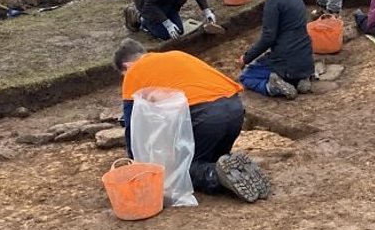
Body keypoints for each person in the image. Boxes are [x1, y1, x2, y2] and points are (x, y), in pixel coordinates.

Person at [114, 39, 271, 202]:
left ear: (126, 66)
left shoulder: (133, 73)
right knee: (213, 158)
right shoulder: (176, 55)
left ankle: (214, 175)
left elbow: (132, 127)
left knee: (180, 169)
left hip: (206, 117)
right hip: (235, 109)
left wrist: (136, 166)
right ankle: (238, 170)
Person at [237, 0, 316, 99]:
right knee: (284, 59)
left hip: (285, 61)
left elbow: (268, 38)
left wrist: (246, 58)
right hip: (305, 59)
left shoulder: (273, 1)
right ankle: (300, 79)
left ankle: (272, 87)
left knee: (246, 77)